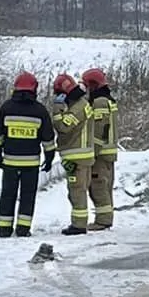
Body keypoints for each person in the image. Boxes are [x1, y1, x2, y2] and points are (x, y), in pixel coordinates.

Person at [0, 71, 55, 238]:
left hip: (9, 162)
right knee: (28, 196)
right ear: (34, 89)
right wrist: (49, 157)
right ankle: (23, 229)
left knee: (7, 195)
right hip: (31, 164)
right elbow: (48, 137)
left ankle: (4, 229)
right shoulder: (40, 110)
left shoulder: (6, 108)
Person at [50, 72, 93, 235]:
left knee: (77, 191)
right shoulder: (81, 103)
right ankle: (80, 222)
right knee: (78, 190)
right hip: (82, 155)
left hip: (77, 156)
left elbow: (64, 126)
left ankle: (79, 225)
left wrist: (57, 110)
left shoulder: (78, 107)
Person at [81, 67, 119, 231]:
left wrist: (93, 152)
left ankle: (103, 220)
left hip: (101, 153)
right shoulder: (108, 100)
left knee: (98, 186)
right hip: (108, 152)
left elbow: (100, 128)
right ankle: (106, 218)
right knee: (105, 186)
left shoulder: (100, 102)